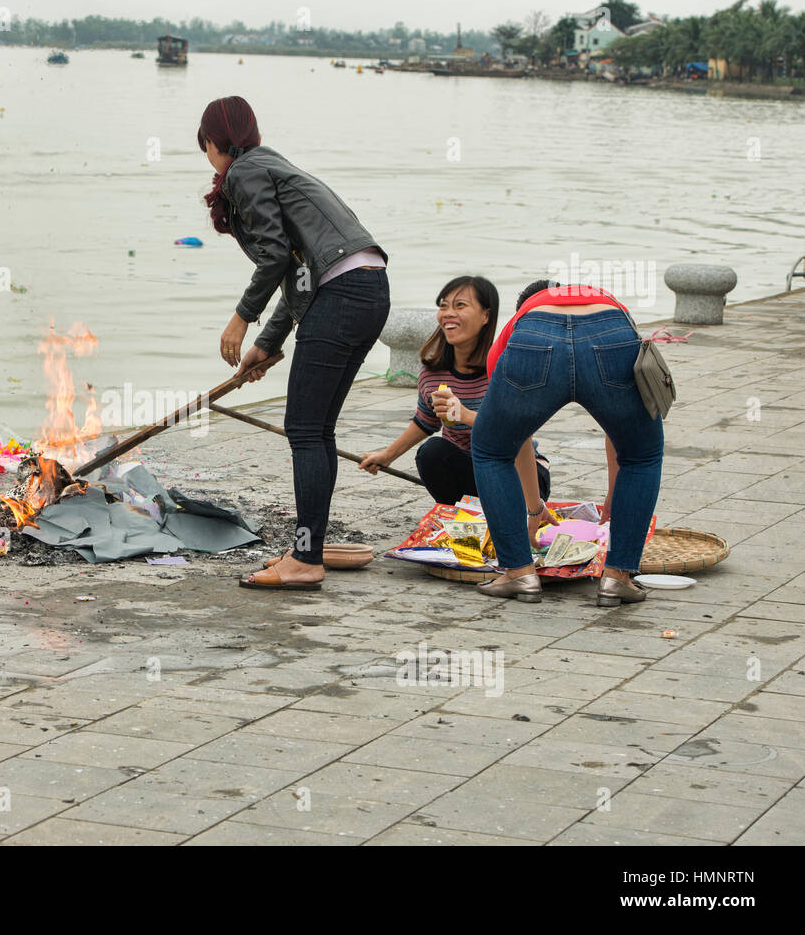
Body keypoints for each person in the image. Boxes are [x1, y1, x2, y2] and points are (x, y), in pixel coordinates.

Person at [198, 96, 390, 590]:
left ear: (212, 143)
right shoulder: (275, 164)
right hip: (368, 289)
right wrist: (268, 341)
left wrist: (241, 320)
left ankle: (306, 560)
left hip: (342, 295)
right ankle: (311, 548)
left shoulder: (245, 171)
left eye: (207, 151)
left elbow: (277, 256)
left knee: (304, 428)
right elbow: (301, 269)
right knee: (317, 428)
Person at [470, 279, 663, 606]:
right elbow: (620, 439)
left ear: (524, 310)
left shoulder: (519, 324)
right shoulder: (606, 301)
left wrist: (534, 507)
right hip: (611, 334)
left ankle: (518, 573)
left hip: (534, 342)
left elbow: (515, 441)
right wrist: (613, 499)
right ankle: (618, 578)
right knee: (642, 456)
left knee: (490, 450)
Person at [358, 275, 551, 505]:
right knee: (432, 453)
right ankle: (463, 518)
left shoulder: (505, 368)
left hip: (520, 474)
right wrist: (387, 456)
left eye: (460, 305)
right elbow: (425, 421)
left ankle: (512, 514)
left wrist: (465, 415)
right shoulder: (432, 373)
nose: (449, 313)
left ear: (486, 315)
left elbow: (515, 431)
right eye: (443, 306)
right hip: (470, 470)